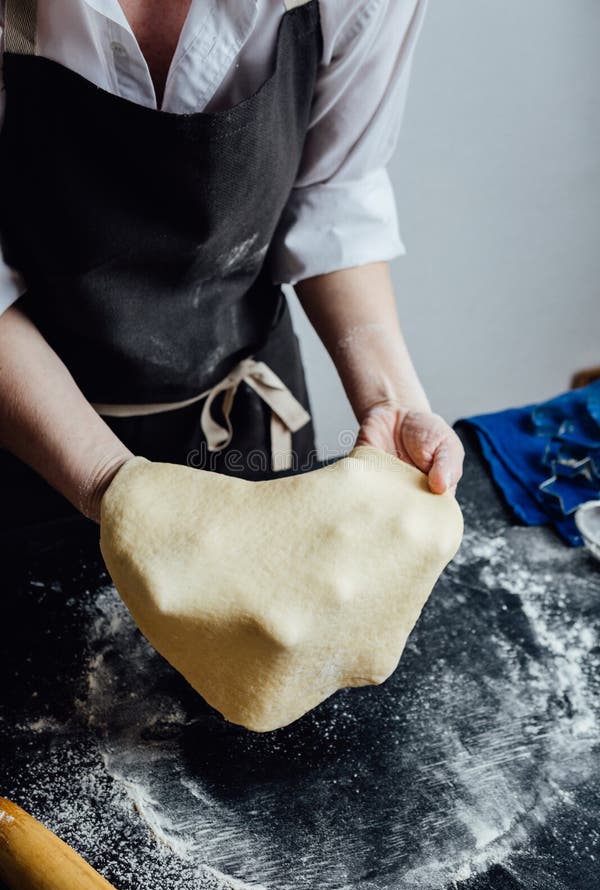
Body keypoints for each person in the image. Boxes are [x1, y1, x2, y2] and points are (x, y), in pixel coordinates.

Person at [0, 0, 464, 533]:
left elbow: (333, 190)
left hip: (248, 416)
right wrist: (111, 481)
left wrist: (393, 403)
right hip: (23, 436)